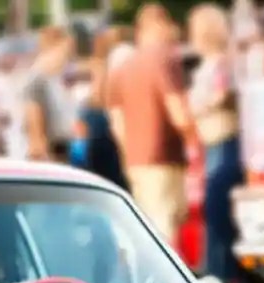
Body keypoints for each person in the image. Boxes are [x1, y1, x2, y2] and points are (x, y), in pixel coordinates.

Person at [108, 3, 196, 250]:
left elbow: (117, 122)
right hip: (164, 156)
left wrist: (129, 155)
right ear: (160, 26)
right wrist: (194, 140)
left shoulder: (122, 67)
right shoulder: (164, 61)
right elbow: (178, 113)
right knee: (166, 223)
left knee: (146, 223)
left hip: (136, 159)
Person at [189, 3, 248, 283]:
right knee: (214, 214)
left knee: (219, 213)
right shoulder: (211, 64)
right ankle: (221, 280)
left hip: (223, 141)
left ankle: (226, 281)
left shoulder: (220, 64)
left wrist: (205, 106)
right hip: (214, 142)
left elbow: (225, 95)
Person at [77, 27, 129, 188]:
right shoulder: (102, 66)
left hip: (96, 124)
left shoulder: (94, 65)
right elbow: (99, 96)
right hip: (102, 125)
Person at [22, 26, 76, 162]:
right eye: (65, 50)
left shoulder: (53, 75)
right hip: (52, 148)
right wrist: (37, 143)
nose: (67, 56)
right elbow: (32, 109)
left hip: (62, 144)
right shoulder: (38, 76)